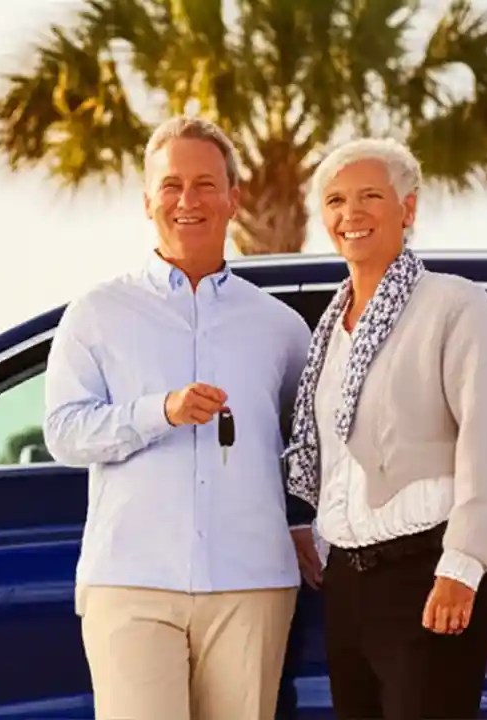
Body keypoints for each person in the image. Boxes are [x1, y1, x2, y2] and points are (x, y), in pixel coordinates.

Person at [43, 115, 313, 720]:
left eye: (204, 184)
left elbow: (315, 445)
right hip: (132, 580)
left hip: (251, 582)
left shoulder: (278, 326)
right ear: (147, 201)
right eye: (171, 185)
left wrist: (307, 525)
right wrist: (158, 412)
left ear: (233, 199)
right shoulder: (97, 313)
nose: (187, 200)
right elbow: (63, 432)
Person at [283, 137, 487, 719]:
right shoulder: (329, 333)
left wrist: (463, 566)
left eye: (371, 196)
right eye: (336, 201)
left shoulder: (455, 307)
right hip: (348, 584)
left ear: (407, 209)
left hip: (426, 573)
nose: (351, 213)